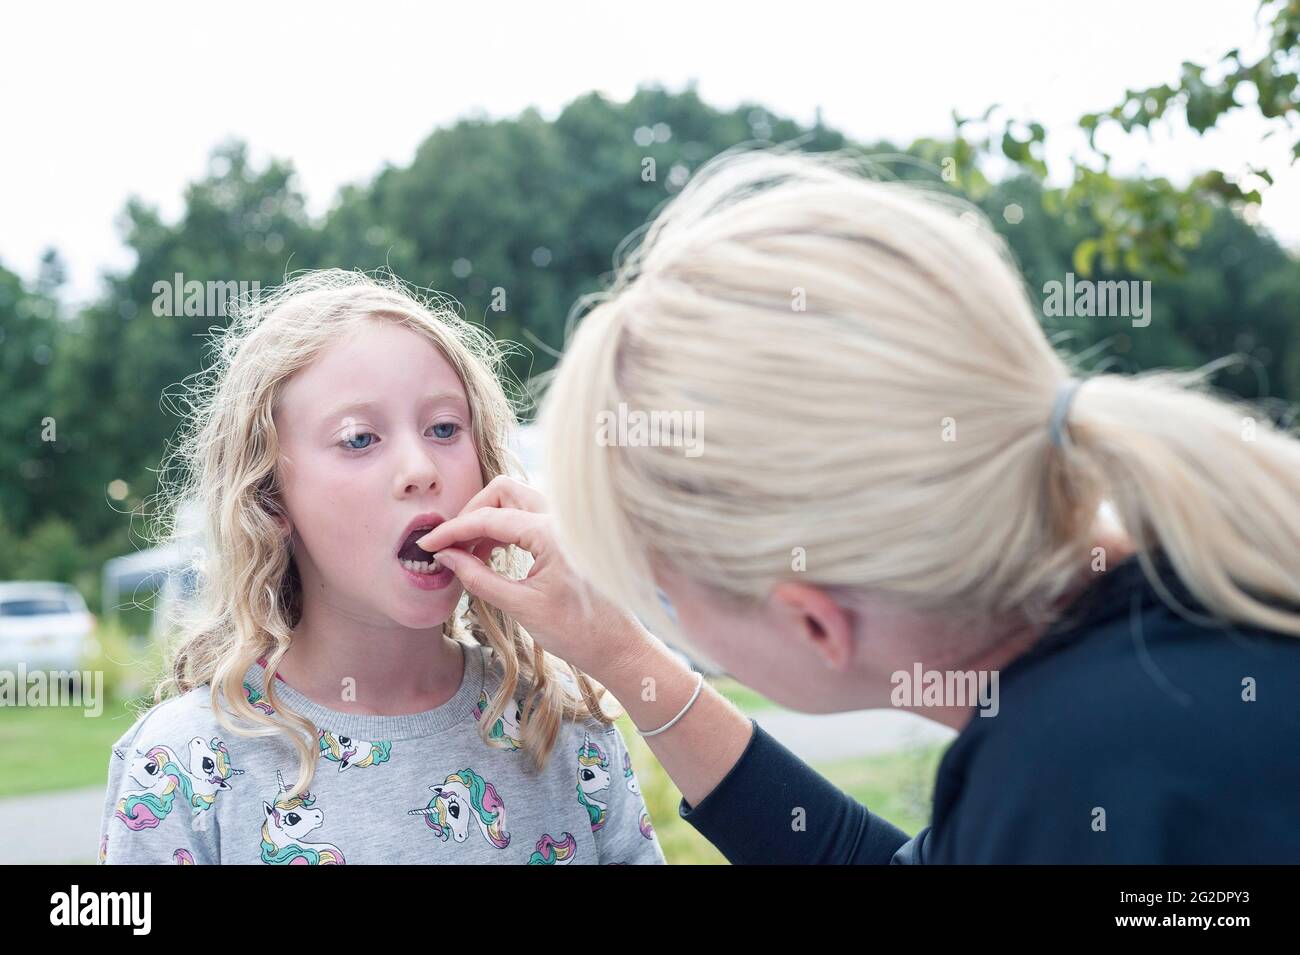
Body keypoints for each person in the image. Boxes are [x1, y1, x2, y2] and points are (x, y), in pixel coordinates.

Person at [416, 151, 1300, 863]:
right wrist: (619, 649)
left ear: (815, 622)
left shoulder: (1074, 784)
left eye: (667, 603)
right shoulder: (1188, 630)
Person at [97, 271, 664, 865]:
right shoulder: (181, 764)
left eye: (445, 428)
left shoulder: (561, 724)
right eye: (360, 438)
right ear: (271, 501)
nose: (420, 468)